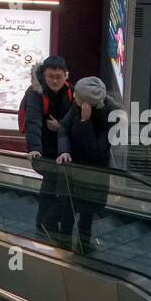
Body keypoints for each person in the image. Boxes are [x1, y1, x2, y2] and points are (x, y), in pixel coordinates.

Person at [54, 76, 118, 251]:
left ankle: (84, 246)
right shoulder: (76, 106)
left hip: (93, 176)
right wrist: (64, 151)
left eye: (77, 95)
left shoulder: (112, 117)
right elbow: (63, 128)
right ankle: (64, 243)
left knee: (86, 213)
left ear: (88, 103)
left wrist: (85, 122)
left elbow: (95, 150)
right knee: (67, 209)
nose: (74, 96)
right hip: (72, 172)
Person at [23, 56, 74, 242]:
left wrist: (60, 126)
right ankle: (46, 226)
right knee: (52, 184)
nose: (54, 81)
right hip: (45, 149)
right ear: (44, 75)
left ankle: (48, 226)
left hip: (64, 150)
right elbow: (33, 122)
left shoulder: (71, 92)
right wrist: (35, 148)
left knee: (58, 186)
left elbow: (72, 122)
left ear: (65, 76)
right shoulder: (36, 93)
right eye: (50, 76)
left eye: (58, 77)